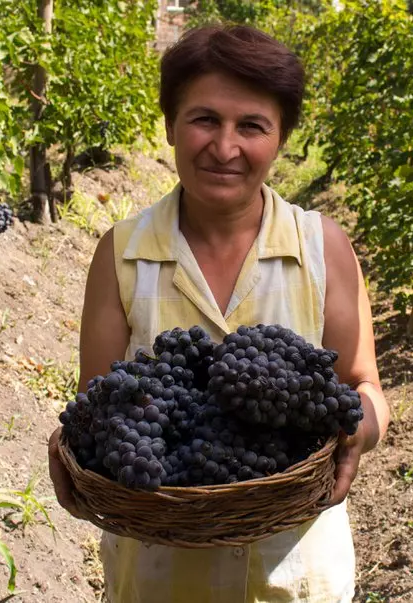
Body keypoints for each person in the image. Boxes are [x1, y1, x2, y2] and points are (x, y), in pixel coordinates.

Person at [47, 24, 390, 603]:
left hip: (296, 574)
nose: (225, 147)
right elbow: (102, 401)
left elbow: (363, 385)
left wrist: (361, 428)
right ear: (170, 127)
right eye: (204, 119)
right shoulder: (122, 253)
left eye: (251, 126)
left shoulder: (322, 248)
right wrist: (74, 445)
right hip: (159, 576)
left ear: (281, 139)